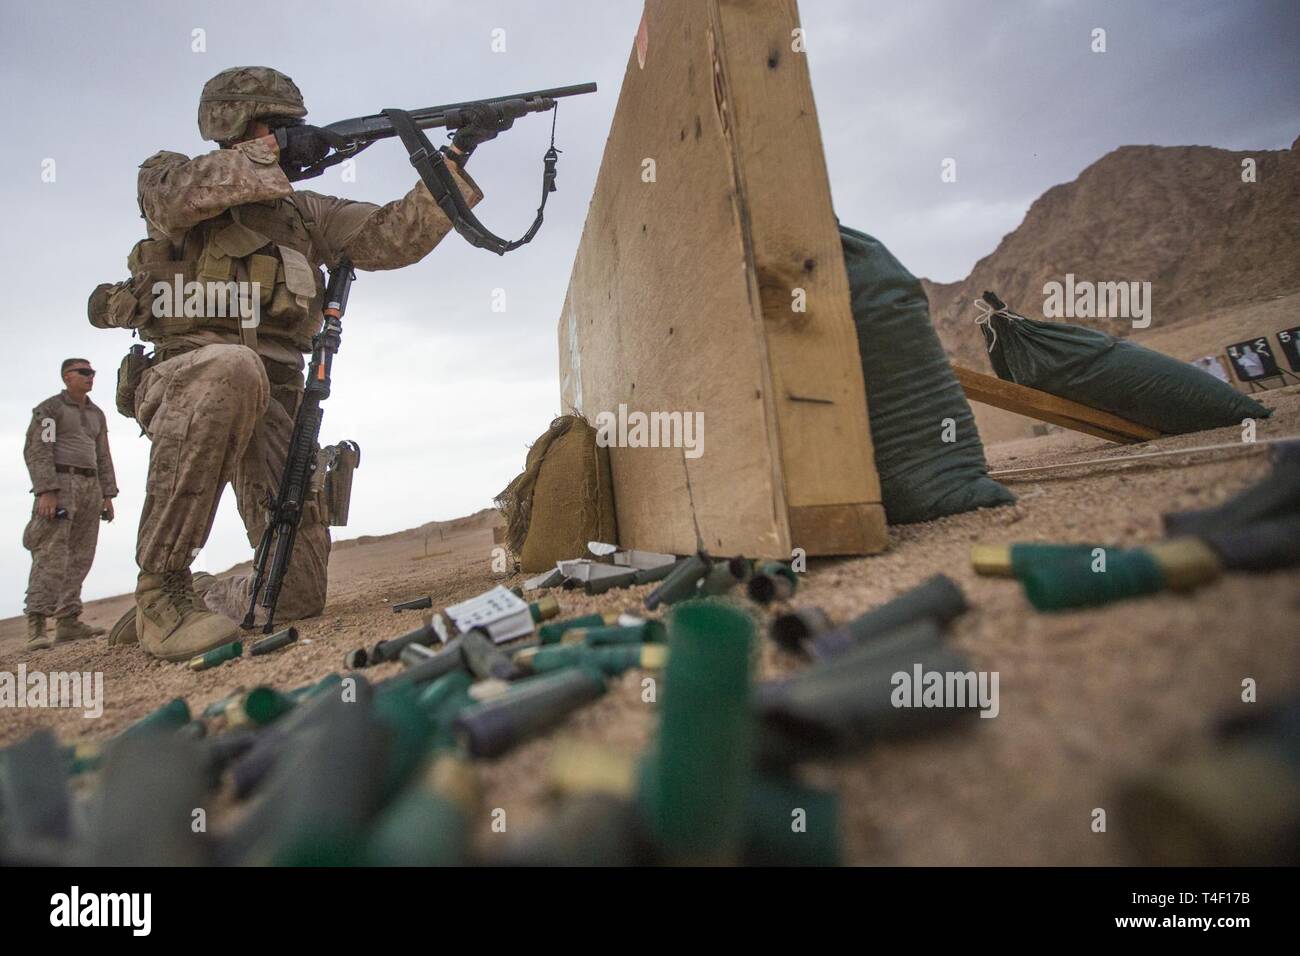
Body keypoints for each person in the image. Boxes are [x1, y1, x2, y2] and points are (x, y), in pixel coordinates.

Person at [94, 66, 497, 662]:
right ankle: (162, 590)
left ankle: (206, 596)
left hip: (277, 394)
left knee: (293, 594)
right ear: (231, 125)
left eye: (292, 128)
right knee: (232, 367)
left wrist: (458, 151)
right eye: (275, 126)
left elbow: (393, 238)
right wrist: (273, 154)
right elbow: (173, 199)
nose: (290, 136)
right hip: (190, 377)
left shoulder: (302, 212)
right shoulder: (171, 178)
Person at [23, 358, 118, 651]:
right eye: (84, 372)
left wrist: (107, 494)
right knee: (51, 554)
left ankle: (68, 621)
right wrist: (46, 491)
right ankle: (37, 624)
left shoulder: (97, 414)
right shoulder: (51, 410)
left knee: (81, 554)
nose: (91, 377)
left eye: (92, 373)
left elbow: (103, 453)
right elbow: (39, 449)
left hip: (90, 487)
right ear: (68, 377)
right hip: (61, 484)